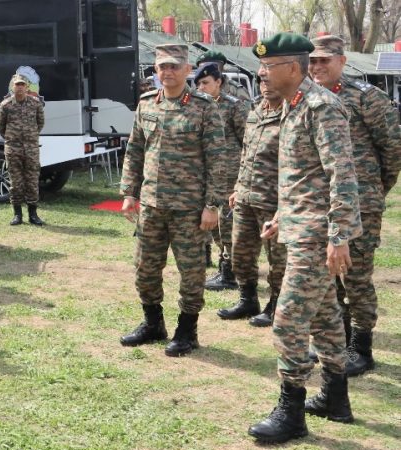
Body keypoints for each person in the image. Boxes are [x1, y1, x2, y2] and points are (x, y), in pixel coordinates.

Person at [248, 32, 362, 444]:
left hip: (318, 236)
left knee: (289, 320)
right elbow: (300, 173)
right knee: (325, 317)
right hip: (300, 226)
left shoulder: (321, 107)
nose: (262, 73)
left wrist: (338, 236)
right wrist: (282, 214)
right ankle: (336, 397)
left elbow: (342, 175)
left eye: (268, 66)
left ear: (291, 68)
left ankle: (291, 411)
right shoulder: (291, 105)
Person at [118, 44, 226, 357]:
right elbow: (135, 150)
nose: (168, 72)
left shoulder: (204, 106)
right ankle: (153, 323)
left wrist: (212, 205)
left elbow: (217, 159)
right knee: (145, 268)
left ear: (188, 69)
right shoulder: (146, 104)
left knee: (191, 271)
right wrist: (129, 193)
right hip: (152, 205)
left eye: (174, 66)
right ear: (156, 69)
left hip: (189, 208)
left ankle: (186, 329)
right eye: (162, 66)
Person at [309, 35, 401, 376]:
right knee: (326, 277)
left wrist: (375, 189)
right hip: (319, 203)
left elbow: (392, 149)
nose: (317, 66)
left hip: (360, 204)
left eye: (324, 60)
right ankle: (337, 341)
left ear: (342, 61)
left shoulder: (366, 98)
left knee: (356, 277)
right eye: (313, 61)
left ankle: (361, 347)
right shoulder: (306, 97)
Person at [218, 80, 287, 327]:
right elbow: (246, 153)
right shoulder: (256, 110)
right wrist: (238, 186)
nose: (266, 85)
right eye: (261, 81)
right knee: (240, 253)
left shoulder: (293, 111)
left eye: (271, 80)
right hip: (246, 196)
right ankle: (248, 299)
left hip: (274, 199)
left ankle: (276, 304)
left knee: (278, 258)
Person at [194, 63, 251, 292]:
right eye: (198, 84)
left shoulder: (233, 107)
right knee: (213, 225)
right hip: (208, 176)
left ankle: (231, 273)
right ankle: (224, 267)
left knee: (228, 225)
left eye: (205, 83)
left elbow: (248, 141)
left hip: (230, 175)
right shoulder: (199, 107)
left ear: (219, 82)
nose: (201, 87)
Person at [0, 74, 45, 226]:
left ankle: (33, 214)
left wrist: (30, 138)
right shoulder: (5, 105)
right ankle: (17, 214)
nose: (20, 87)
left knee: (32, 181)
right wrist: (13, 140)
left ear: (27, 87)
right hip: (13, 150)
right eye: (17, 84)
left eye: (22, 84)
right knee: (16, 183)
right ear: (13, 87)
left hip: (31, 149)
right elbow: (0, 127)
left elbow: (40, 124)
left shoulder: (36, 104)